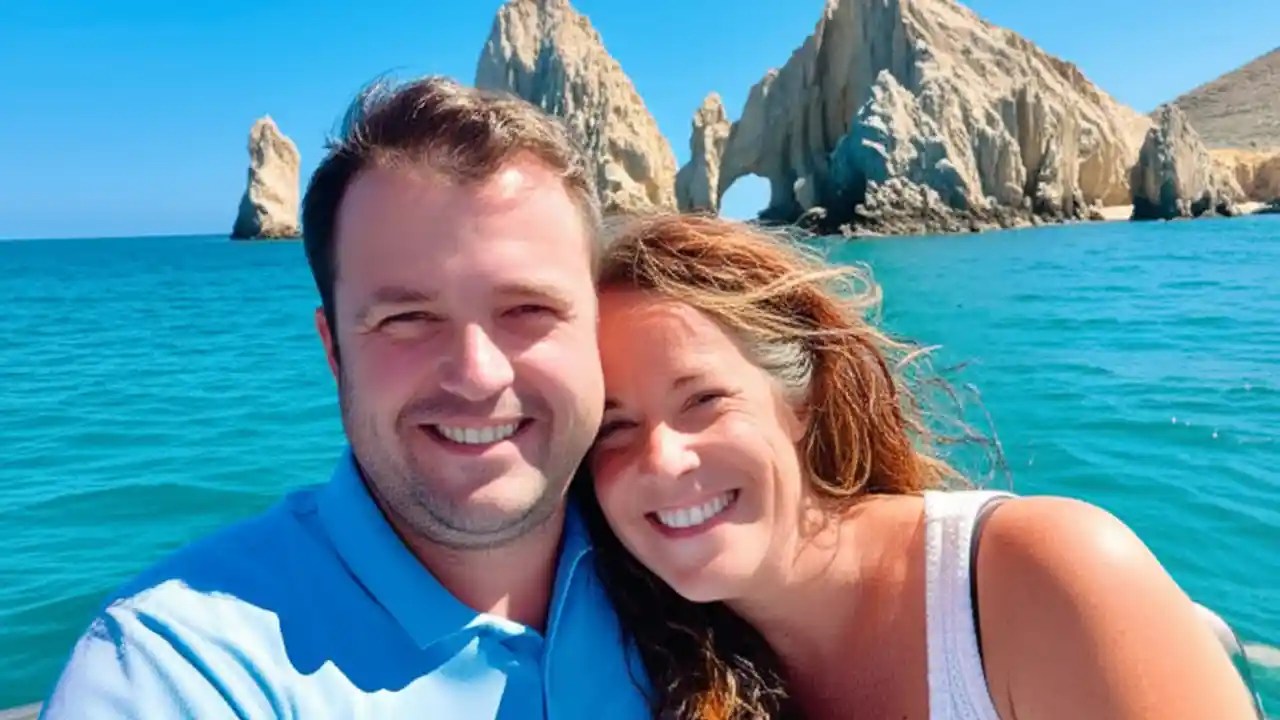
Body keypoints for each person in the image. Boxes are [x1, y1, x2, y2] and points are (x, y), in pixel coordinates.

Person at [38, 76, 651, 718]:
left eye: (528, 308)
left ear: (596, 329)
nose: (477, 375)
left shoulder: (688, 572)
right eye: (406, 318)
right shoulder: (176, 674)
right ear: (333, 352)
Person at [576, 213, 1262, 719]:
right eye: (614, 427)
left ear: (801, 403)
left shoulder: (1042, 581)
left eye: (703, 400)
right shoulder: (652, 654)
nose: (662, 457)